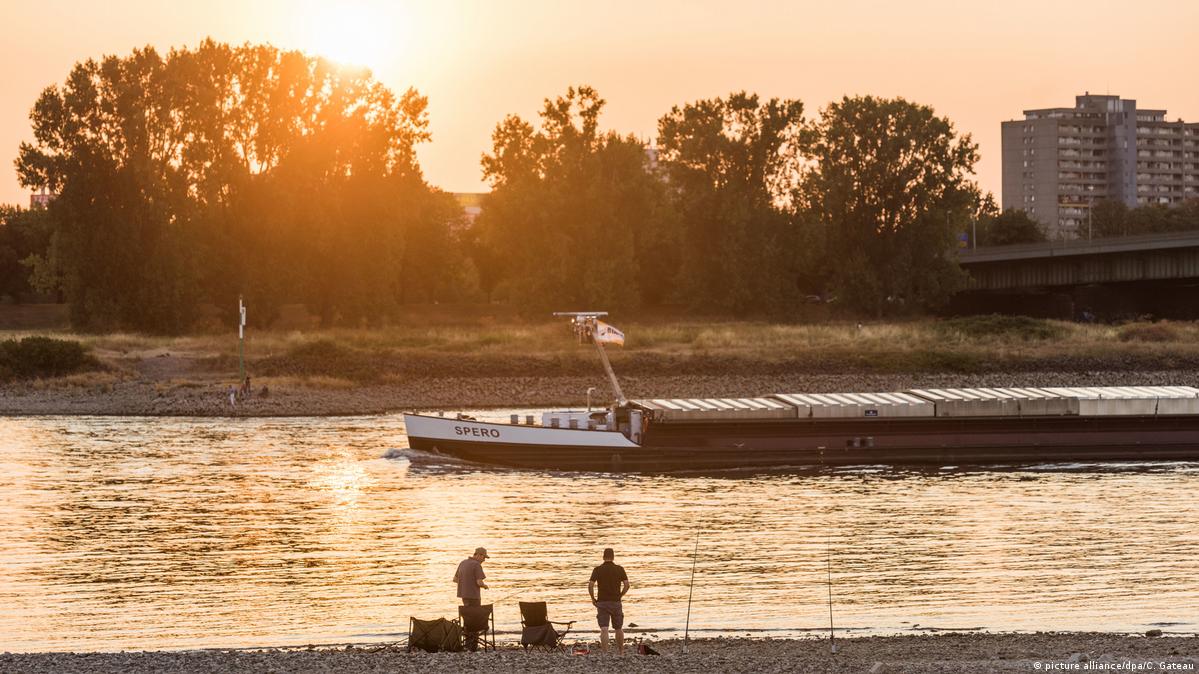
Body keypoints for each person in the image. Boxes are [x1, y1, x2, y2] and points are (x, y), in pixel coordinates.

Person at [588, 547, 630, 655]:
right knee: (618, 628)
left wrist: (593, 598)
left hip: (602, 602)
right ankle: (621, 652)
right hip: (616, 602)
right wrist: (620, 595)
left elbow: (590, 585)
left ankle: (605, 653)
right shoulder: (619, 569)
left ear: (603, 557)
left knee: (604, 629)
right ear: (613, 557)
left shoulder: (597, 569)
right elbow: (627, 585)